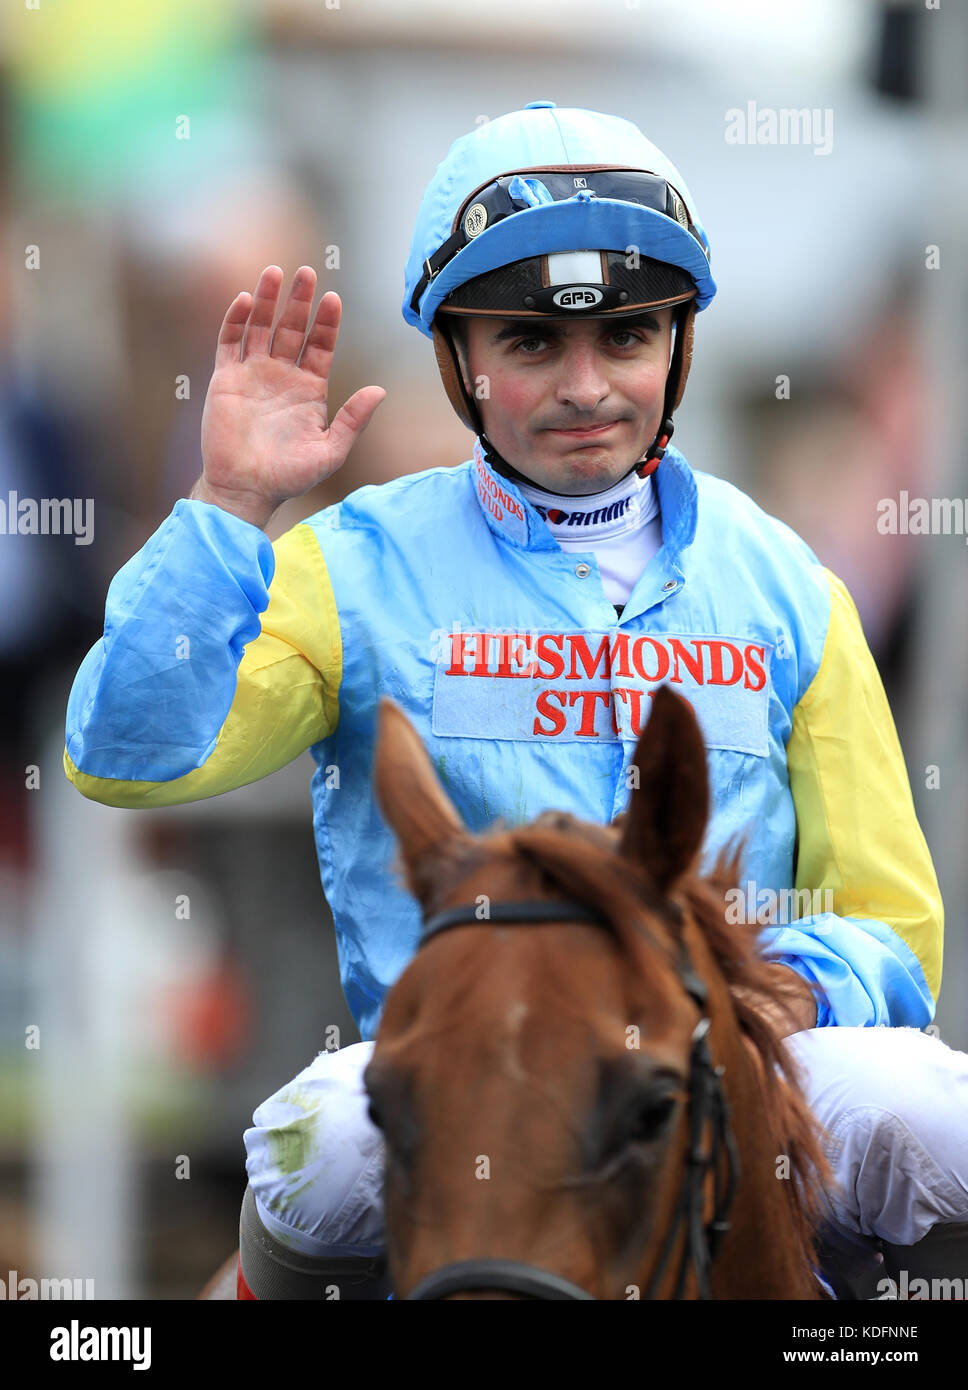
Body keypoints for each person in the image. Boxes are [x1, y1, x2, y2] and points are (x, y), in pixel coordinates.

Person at [64, 102, 968, 1301]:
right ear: (459, 358)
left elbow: (890, 925)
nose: (585, 387)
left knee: (929, 1114)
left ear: (678, 348)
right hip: (460, 1080)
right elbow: (128, 754)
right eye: (533, 343)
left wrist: (744, 995)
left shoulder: (789, 587)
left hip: (726, 1073)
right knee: (318, 1154)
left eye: (627, 338)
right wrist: (228, 510)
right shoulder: (351, 566)